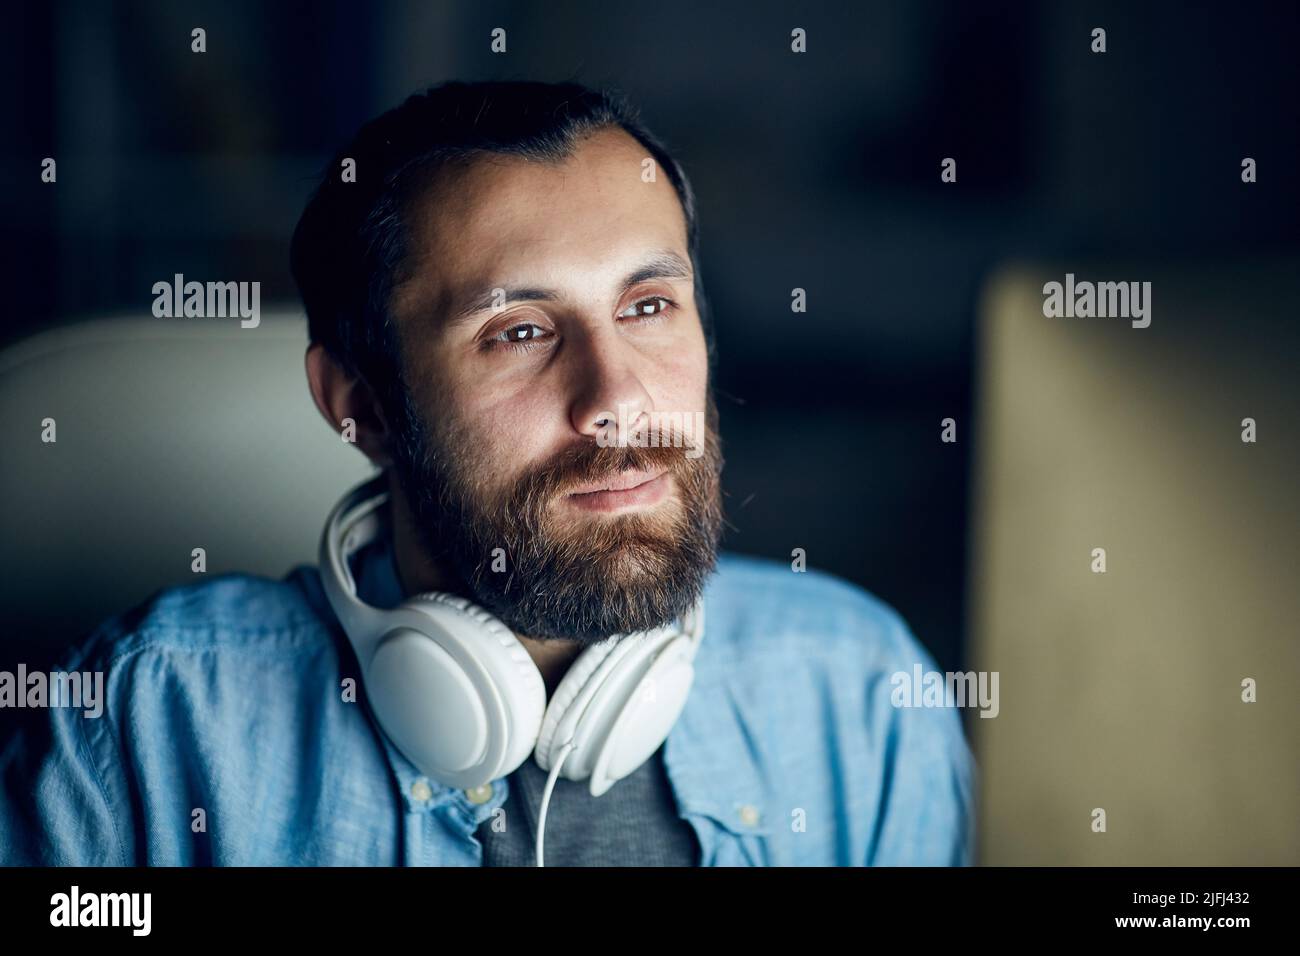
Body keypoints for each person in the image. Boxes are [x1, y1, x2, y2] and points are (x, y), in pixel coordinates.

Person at [0, 80, 974, 866]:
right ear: (363, 406)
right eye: (518, 331)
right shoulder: (151, 720)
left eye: (647, 307)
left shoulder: (857, 692)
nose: (616, 399)